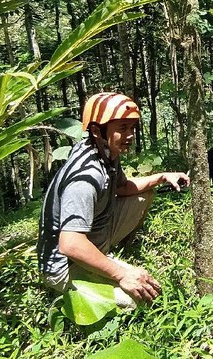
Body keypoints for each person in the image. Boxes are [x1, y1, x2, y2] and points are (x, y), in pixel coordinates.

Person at [37, 92, 189, 307]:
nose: (130, 135)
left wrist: (163, 177)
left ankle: (110, 258)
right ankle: (79, 284)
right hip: (64, 265)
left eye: (132, 128)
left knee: (143, 194)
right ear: (97, 130)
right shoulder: (85, 179)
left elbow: (123, 188)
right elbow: (70, 244)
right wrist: (121, 274)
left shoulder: (105, 153)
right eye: (122, 128)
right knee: (139, 299)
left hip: (95, 235)